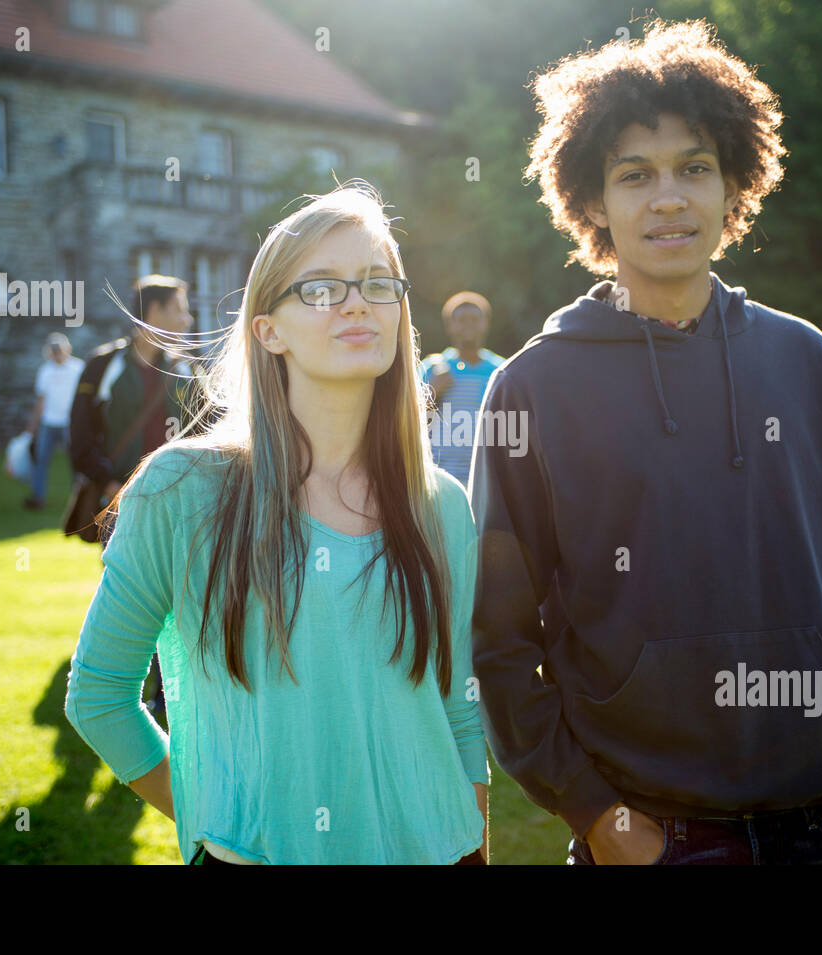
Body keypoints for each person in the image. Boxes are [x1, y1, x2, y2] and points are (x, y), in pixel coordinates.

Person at [469, 18, 822, 866]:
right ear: (592, 200)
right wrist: (595, 814)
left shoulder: (808, 360)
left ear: (734, 183)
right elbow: (500, 640)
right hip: (650, 835)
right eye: (636, 175)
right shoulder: (533, 387)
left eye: (694, 168)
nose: (669, 197)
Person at [64, 183, 490, 864]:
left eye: (379, 283)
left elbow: (459, 709)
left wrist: (474, 839)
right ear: (268, 329)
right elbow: (99, 696)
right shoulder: (182, 488)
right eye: (321, 287)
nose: (357, 301)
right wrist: (219, 810)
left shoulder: (440, 503)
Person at [68, 274, 195, 722]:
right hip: (117, 503)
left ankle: (165, 695)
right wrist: (110, 488)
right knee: (128, 595)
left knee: (177, 599)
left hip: (178, 505)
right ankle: (106, 693)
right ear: (155, 312)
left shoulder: (185, 369)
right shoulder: (102, 368)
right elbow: (81, 440)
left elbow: (210, 433)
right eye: (180, 308)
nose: (188, 318)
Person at [420, 292, 503, 486]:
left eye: (475, 319)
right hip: (438, 481)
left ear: (486, 324)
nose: (469, 325)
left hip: (486, 482)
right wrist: (431, 392)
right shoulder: (432, 368)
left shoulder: (501, 370)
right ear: (449, 326)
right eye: (461, 320)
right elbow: (404, 420)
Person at [23, 332, 85, 510]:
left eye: (60, 350)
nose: (57, 353)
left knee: (76, 461)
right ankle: (38, 497)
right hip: (49, 423)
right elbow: (40, 401)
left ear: (67, 349)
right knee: (40, 460)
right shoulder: (45, 371)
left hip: (70, 423)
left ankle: (79, 499)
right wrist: (32, 428)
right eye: (54, 350)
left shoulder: (78, 368)